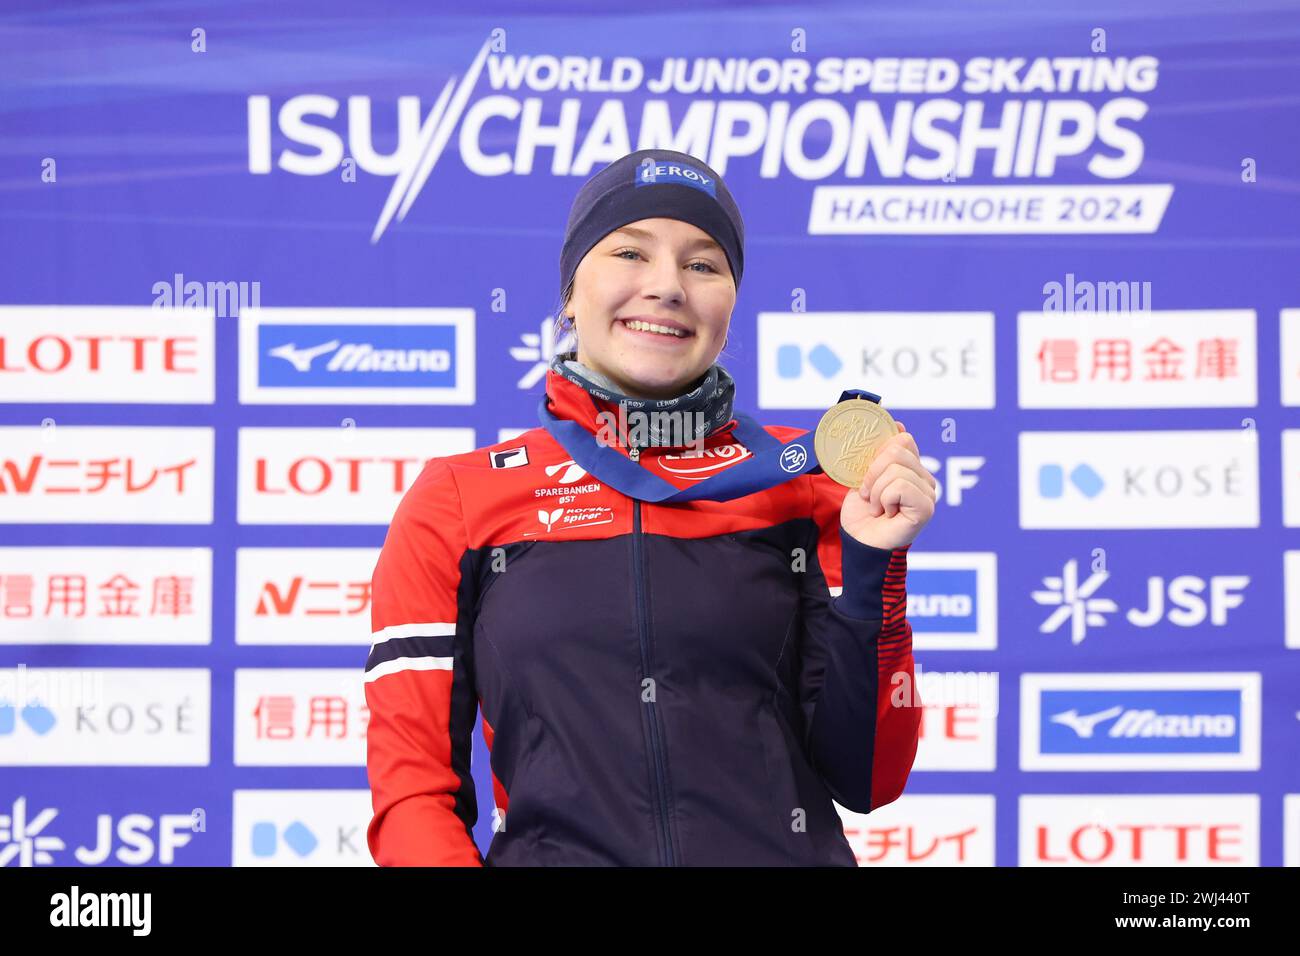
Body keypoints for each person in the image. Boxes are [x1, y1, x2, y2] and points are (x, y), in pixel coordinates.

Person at [363, 148, 937, 866]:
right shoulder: (462, 500)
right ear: (571, 293)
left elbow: (868, 779)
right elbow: (414, 793)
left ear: (731, 302)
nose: (667, 286)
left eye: (703, 264)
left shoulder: (806, 484)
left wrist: (873, 576)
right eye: (631, 252)